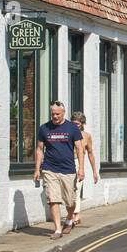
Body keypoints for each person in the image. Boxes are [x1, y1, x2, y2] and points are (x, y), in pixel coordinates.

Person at [33, 101, 84, 239]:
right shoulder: (44, 128)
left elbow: (80, 149)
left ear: (63, 113)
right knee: (53, 199)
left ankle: (69, 219)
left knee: (70, 201)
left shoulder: (72, 129)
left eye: (57, 114)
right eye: (53, 114)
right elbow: (39, 149)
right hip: (50, 168)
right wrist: (37, 169)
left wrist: (81, 169)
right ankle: (57, 229)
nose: (55, 116)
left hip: (68, 169)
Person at [70, 111, 99, 226]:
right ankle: (73, 214)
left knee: (76, 188)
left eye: (76, 124)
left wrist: (94, 172)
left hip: (78, 163)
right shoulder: (68, 134)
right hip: (67, 162)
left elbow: (90, 153)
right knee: (68, 190)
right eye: (72, 123)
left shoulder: (86, 136)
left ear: (82, 124)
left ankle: (75, 215)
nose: (74, 126)